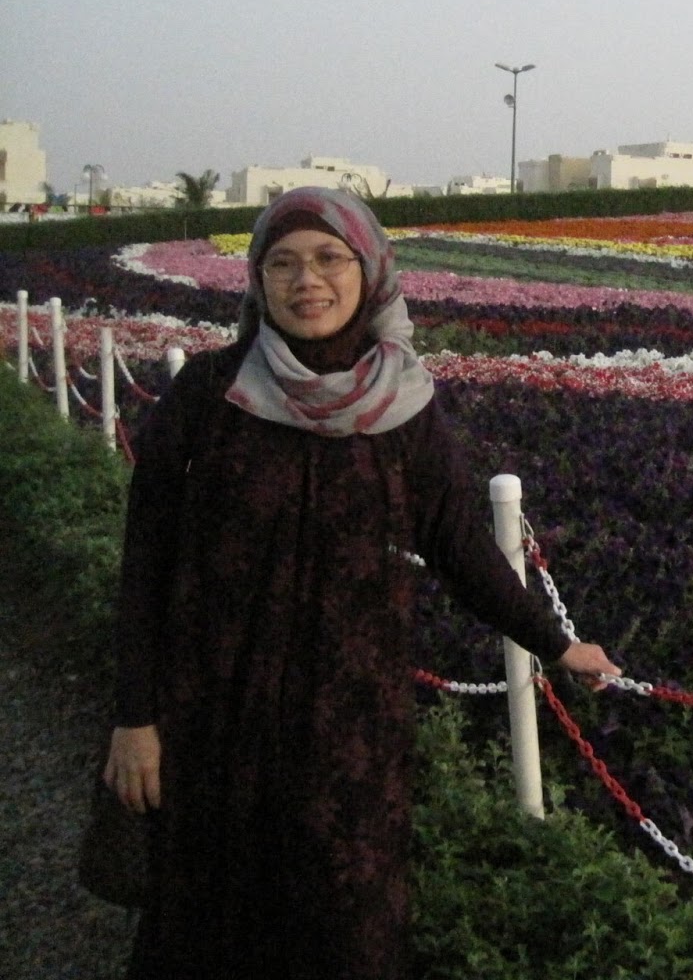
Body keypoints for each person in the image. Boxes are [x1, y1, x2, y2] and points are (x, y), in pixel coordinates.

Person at [102, 187, 618, 979]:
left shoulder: (402, 406)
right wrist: (135, 718)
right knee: (209, 923)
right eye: (283, 263)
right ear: (258, 279)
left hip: (347, 724)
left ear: (370, 269)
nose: (307, 280)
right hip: (212, 711)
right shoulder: (208, 394)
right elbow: (146, 561)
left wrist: (555, 644)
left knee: (346, 923)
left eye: (328, 259)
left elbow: (457, 543)